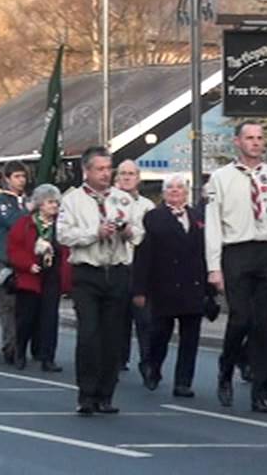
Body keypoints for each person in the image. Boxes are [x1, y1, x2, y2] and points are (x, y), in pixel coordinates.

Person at [206, 122, 267, 414]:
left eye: (260, 138)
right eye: (250, 138)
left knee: (266, 325)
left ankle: (260, 390)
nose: (256, 143)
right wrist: (213, 267)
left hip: (266, 250)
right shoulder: (221, 178)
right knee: (241, 319)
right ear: (237, 142)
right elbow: (213, 225)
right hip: (236, 251)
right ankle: (226, 365)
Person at [58, 146, 143, 415]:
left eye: (109, 168)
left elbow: (140, 233)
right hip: (88, 272)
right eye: (100, 169)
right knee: (89, 335)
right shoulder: (72, 200)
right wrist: (94, 233)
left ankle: (106, 394)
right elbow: (63, 235)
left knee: (113, 337)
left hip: (116, 270)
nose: (106, 174)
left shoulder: (122, 199)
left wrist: (128, 231)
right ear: (87, 171)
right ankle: (86, 394)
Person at [132, 174, 208, 397]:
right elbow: (143, 255)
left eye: (179, 187)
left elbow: (205, 252)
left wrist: (210, 287)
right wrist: (139, 289)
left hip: (192, 285)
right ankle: (152, 367)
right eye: (170, 188)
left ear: (186, 192)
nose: (175, 191)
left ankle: (183, 382)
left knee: (190, 338)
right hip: (164, 285)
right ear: (164, 193)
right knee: (160, 334)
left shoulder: (198, 216)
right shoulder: (154, 217)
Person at [8, 184, 70, 372]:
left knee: (49, 318)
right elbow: (13, 249)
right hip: (30, 277)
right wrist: (28, 264)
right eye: (50, 202)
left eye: (56, 203)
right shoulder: (25, 223)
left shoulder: (61, 225)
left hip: (52, 276)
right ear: (40, 204)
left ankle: (47, 358)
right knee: (26, 318)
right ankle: (20, 352)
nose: (54, 206)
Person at [113, 160, 155, 375]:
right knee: (119, 320)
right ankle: (119, 359)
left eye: (131, 174)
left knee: (145, 319)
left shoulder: (148, 206)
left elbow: (152, 236)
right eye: (123, 173)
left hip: (140, 268)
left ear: (138, 177)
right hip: (118, 264)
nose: (127, 177)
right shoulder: (109, 202)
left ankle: (147, 362)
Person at [0, 161, 29, 365]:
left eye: (23, 176)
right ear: (7, 179)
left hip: (23, 259)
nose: (21, 180)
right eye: (16, 176)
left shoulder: (27, 200)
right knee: (7, 304)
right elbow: (13, 222)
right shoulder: (0, 201)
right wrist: (28, 211)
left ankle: (22, 345)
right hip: (3, 258)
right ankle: (10, 346)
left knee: (24, 306)